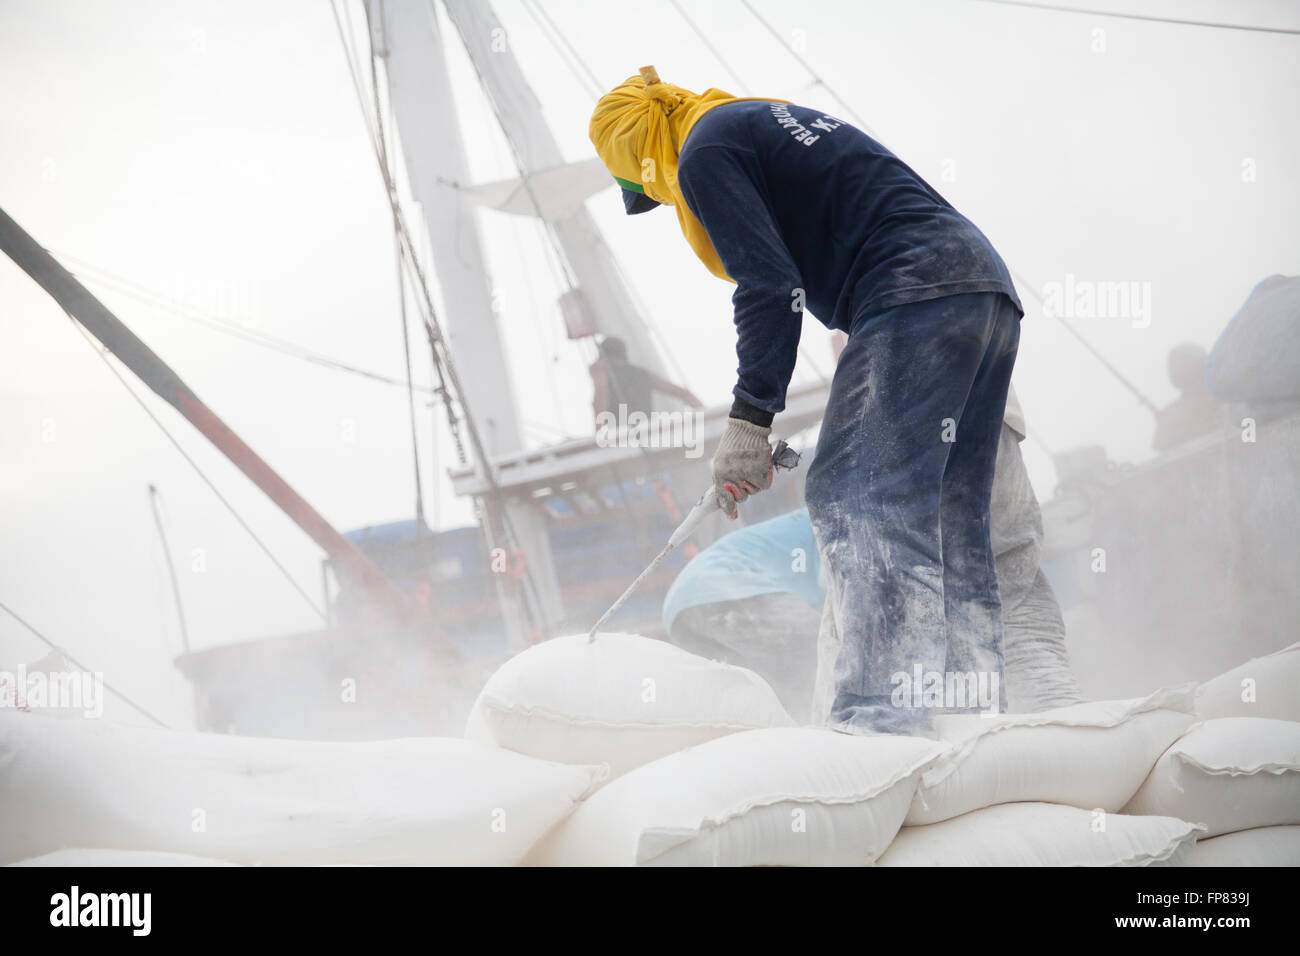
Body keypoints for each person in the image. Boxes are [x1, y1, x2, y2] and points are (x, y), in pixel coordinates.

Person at [590, 68, 1023, 734]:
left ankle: (883, 715)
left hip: (909, 288)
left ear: (637, 147)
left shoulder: (704, 150)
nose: (659, 194)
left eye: (645, 183)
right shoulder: (753, 120)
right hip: (980, 287)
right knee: (949, 513)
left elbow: (769, 286)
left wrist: (747, 422)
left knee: (858, 497)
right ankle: (971, 708)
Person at [662, 388, 1083, 721]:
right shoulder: (840, 520)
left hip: (683, 608)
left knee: (767, 690)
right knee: (818, 659)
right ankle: (823, 755)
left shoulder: (825, 516)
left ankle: (782, 753)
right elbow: (846, 593)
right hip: (725, 593)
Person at [589, 335, 701, 426]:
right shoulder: (642, 373)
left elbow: (601, 398)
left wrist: (598, 435)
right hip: (648, 431)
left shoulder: (601, 372)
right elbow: (683, 393)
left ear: (603, 354)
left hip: (620, 436)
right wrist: (707, 417)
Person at [1152, 343, 1222, 452]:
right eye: (1172, 365)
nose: (1173, 369)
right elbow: (1164, 454)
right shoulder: (1169, 414)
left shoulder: (1226, 400)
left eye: (1179, 362)